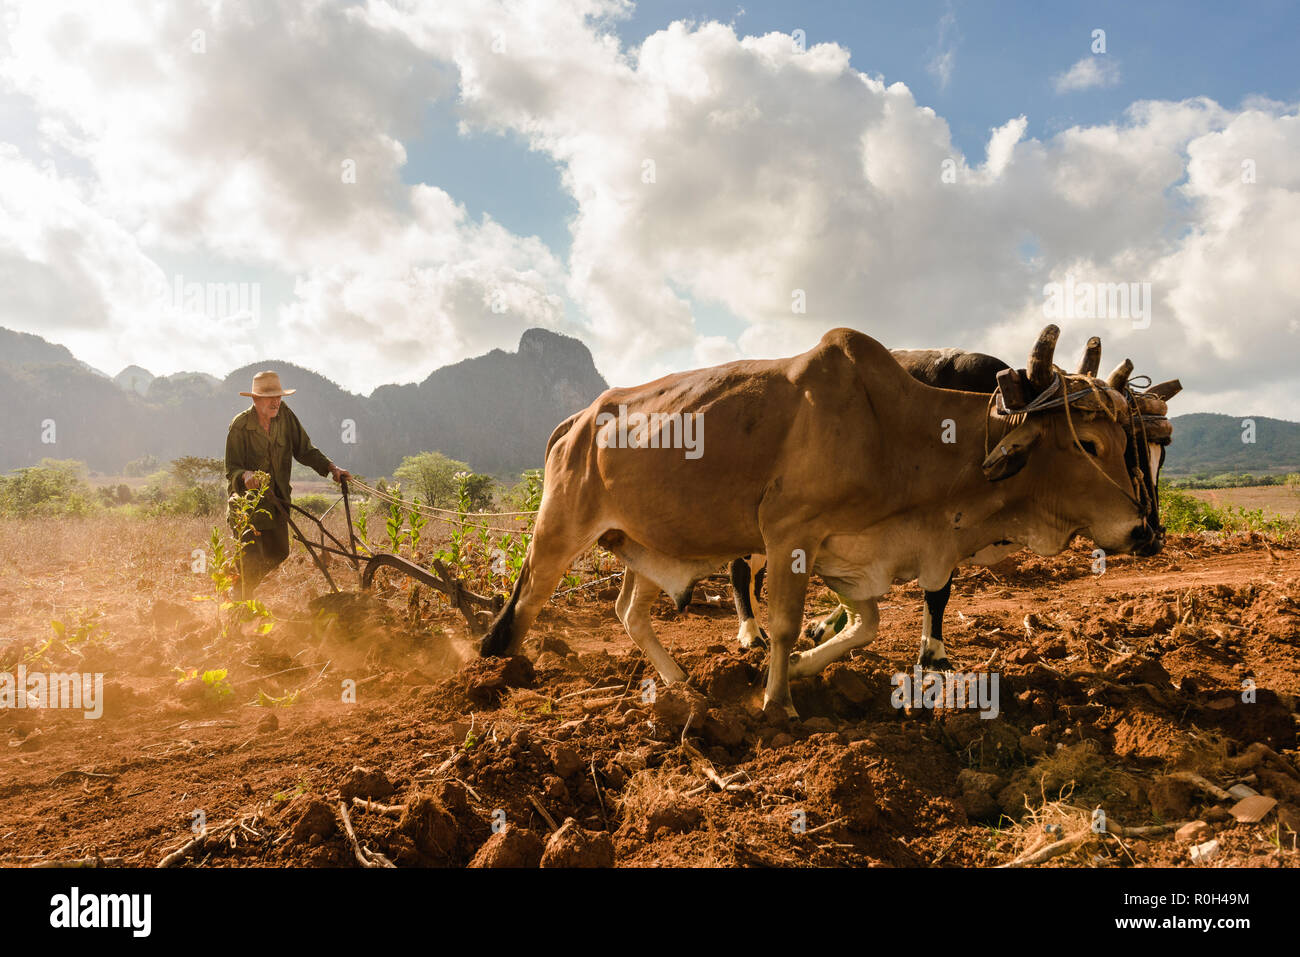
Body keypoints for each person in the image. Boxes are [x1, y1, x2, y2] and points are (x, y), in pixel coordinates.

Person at [224, 370, 350, 595]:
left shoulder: (286, 417)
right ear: (255, 399)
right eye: (270, 397)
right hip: (248, 507)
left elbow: (305, 450)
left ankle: (243, 586)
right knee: (249, 558)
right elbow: (232, 469)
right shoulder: (240, 426)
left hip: (278, 501)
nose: (276, 402)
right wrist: (245, 476)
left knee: (280, 552)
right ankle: (239, 600)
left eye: (278, 396)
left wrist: (332, 468)